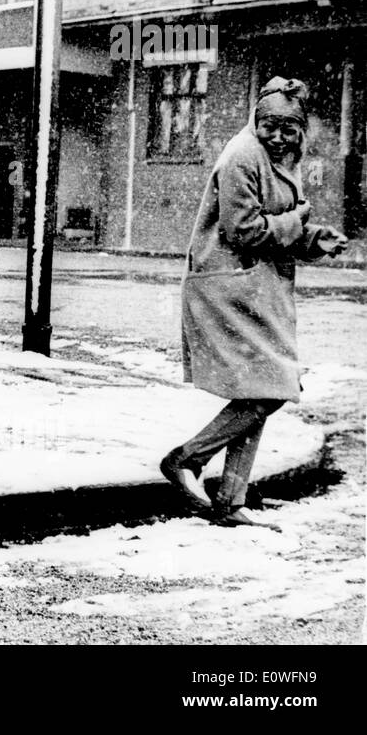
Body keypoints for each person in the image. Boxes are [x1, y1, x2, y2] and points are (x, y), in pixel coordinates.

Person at [160, 77, 349, 529]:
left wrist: (314, 238)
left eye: (289, 128)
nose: (279, 136)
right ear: (255, 121)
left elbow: (277, 228)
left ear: (301, 129)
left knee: (260, 388)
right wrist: (295, 222)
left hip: (256, 286)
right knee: (270, 386)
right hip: (229, 286)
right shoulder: (242, 156)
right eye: (270, 126)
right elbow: (243, 231)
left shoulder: (282, 157)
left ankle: (230, 499)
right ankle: (186, 459)